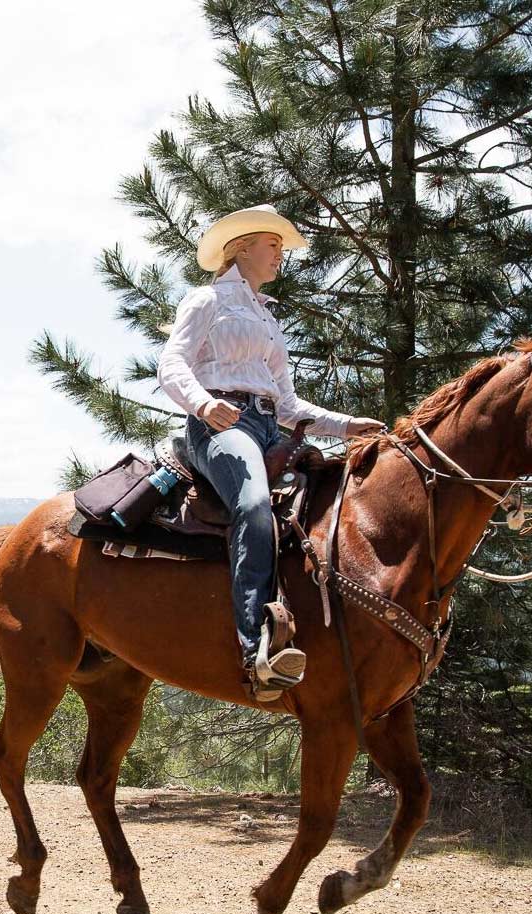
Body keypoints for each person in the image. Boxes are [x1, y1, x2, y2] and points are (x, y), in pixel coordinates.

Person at [157, 205, 384, 701]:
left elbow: (287, 404)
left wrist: (347, 425)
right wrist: (203, 403)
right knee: (255, 505)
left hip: (267, 425)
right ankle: (255, 643)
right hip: (220, 425)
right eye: (273, 245)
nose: (281, 254)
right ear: (241, 248)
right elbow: (171, 362)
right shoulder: (207, 300)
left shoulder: (266, 315)